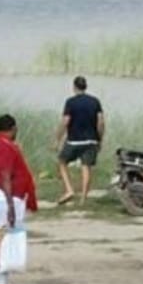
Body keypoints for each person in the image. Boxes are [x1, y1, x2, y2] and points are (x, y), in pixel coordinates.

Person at [0, 114, 38, 284]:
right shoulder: (5, 148)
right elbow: (6, 175)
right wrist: (10, 206)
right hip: (5, 197)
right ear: (13, 128)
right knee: (2, 239)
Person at [54, 76, 104, 206]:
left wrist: (58, 138)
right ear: (85, 86)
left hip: (74, 141)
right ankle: (83, 199)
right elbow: (100, 123)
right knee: (86, 167)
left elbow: (65, 122)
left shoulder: (70, 102)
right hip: (91, 140)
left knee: (62, 161)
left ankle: (69, 190)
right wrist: (100, 139)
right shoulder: (95, 101)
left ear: (74, 87)